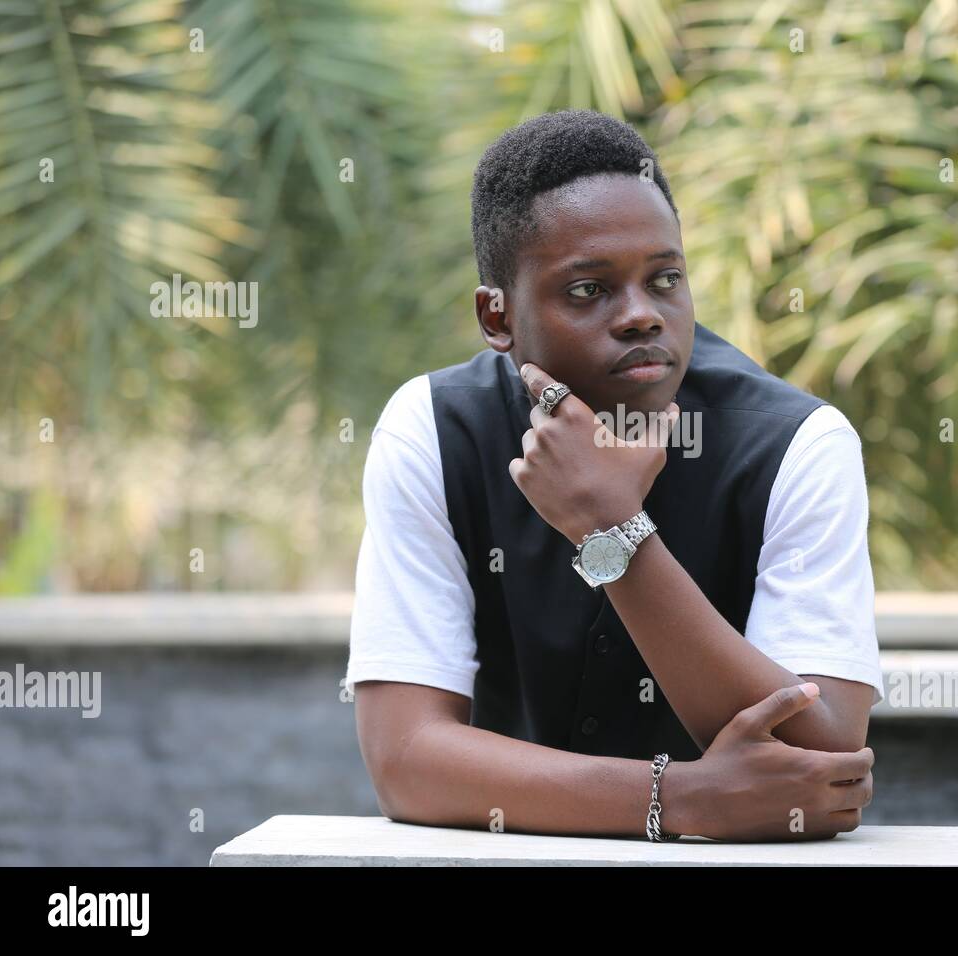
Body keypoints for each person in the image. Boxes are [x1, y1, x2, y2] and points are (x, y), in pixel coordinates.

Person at [345, 109, 882, 842]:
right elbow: (404, 760)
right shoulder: (434, 431)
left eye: (665, 279)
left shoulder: (797, 445)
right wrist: (682, 798)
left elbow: (821, 771)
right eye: (588, 290)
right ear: (496, 317)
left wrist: (613, 531)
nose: (641, 316)